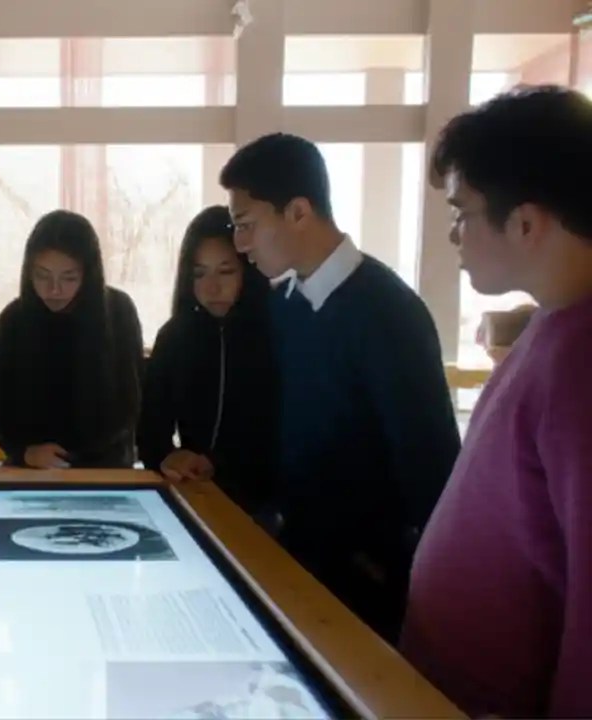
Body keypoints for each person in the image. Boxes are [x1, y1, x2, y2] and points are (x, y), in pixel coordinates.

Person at [221, 132, 460, 643]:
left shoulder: (389, 313)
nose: (240, 245)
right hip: (299, 560)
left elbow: (433, 470)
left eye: (247, 226)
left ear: (299, 212)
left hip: (371, 582)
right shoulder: (285, 303)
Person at [401, 86, 592, 718]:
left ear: (526, 223)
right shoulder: (552, 324)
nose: (453, 232)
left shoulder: (580, 362)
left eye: (461, 211)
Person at [138, 205, 277, 516]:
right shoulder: (174, 336)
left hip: (261, 503)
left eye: (225, 271)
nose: (211, 287)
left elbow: (278, 433)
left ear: (248, 269)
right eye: (199, 273)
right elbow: (150, 429)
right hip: (192, 493)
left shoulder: (276, 333)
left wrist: (219, 463)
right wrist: (167, 456)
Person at [0, 209, 142, 470]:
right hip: (31, 466)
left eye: (69, 277)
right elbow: (1, 412)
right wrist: (25, 453)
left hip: (107, 466)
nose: (54, 290)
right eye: (42, 276)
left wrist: (81, 460)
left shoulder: (118, 312)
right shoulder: (14, 319)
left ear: (88, 275)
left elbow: (132, 402)